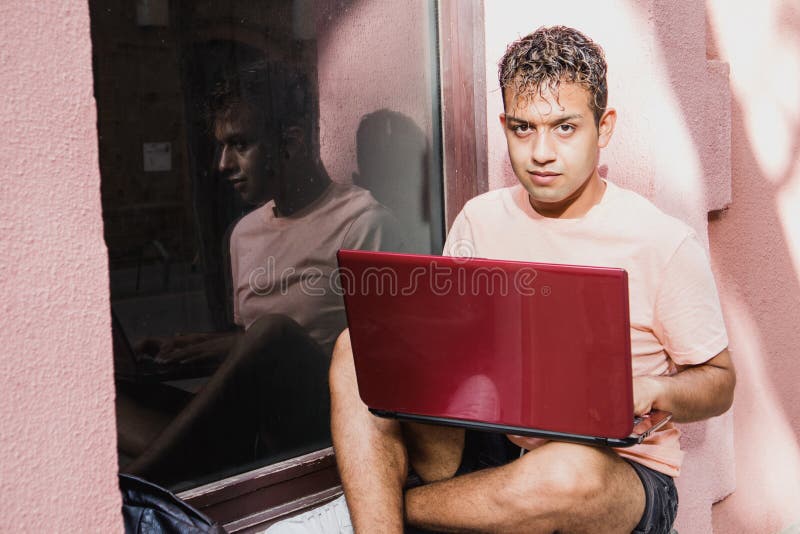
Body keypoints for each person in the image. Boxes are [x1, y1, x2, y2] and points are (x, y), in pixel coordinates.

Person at [328, 26, 735, 533]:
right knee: (357, 348)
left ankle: (381, 511)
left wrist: (652, 389)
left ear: (604, 127)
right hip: (488, 440)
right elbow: (443, 352)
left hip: (613, 469)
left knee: (567, 473)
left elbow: (719, 382)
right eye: (523, 128)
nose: (541, 152)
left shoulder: (662, 242)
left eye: (565, 128)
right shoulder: (479, 218)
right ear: (505, 126)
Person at [119, 60, 404, 485]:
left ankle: (135, 488)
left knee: (274, 332)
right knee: (105, 396)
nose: (222, 164)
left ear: (290, 141)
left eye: (239, 144)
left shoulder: (363, 224)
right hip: (251, 429)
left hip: (317, 426)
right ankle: (181, 470)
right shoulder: (244, 234)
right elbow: (251, 352)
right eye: (221, 147)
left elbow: (382, 365)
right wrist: (198, 347)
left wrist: (262, 343)